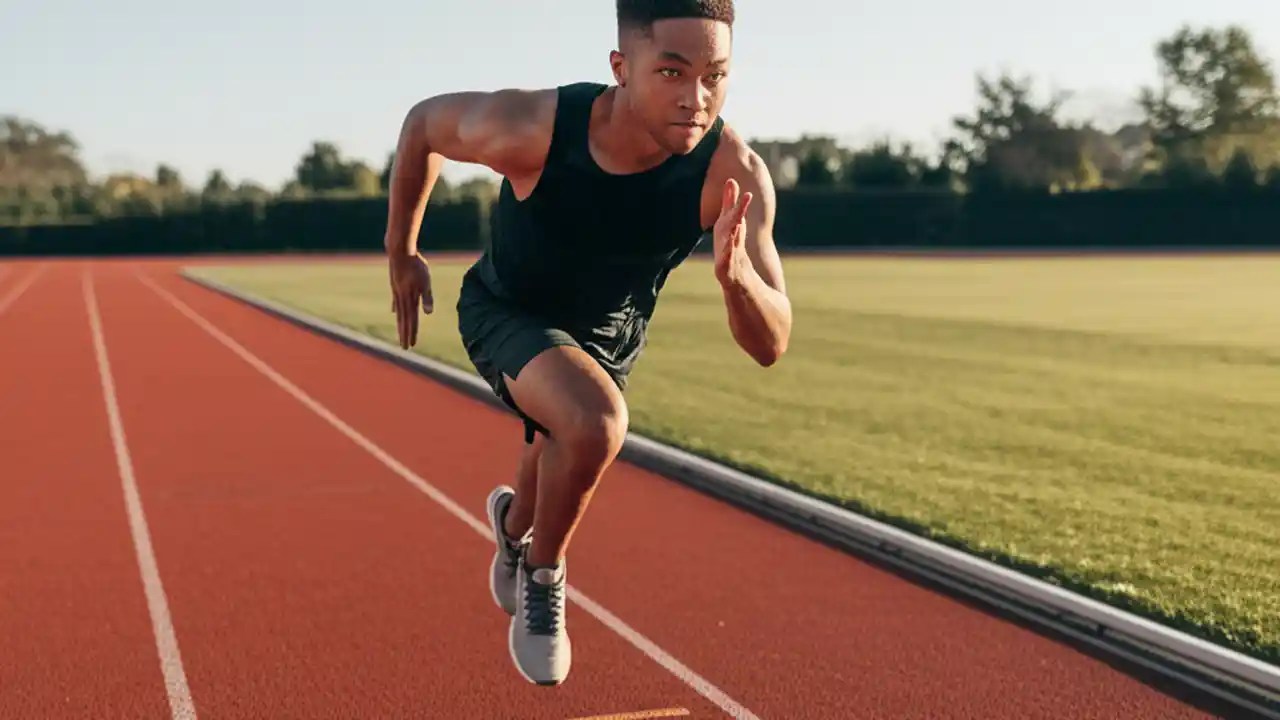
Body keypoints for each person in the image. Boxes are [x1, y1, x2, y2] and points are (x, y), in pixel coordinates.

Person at [383, 0, 791, 686]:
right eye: (672, 71)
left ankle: (512, 528)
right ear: (621, 68)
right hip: (507, 310)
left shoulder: (732, 173)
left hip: (606, 340)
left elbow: (771, 343)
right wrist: (402, 249)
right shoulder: (533, 129)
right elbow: (423, 123)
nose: (696, 99)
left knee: (560, 446)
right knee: (594, 422)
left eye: (715, 76)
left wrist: (738, 280)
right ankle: (544, 576)